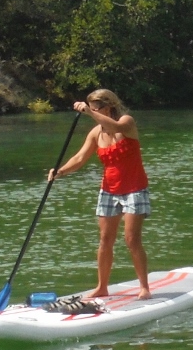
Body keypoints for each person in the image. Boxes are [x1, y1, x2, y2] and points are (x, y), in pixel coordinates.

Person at [49, 89, 152, 300]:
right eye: (91, 107)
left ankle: (144, 288)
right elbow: (79, 158)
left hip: (134, 188)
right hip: (108, 190)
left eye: (97, 107)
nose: (94, 111)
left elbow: (115, 127)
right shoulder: (96, 133)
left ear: (109, 106)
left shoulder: (126, 122)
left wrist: (88, 112)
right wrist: (60, 171)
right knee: (105, 239)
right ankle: (102, 287)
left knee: (131, 239)